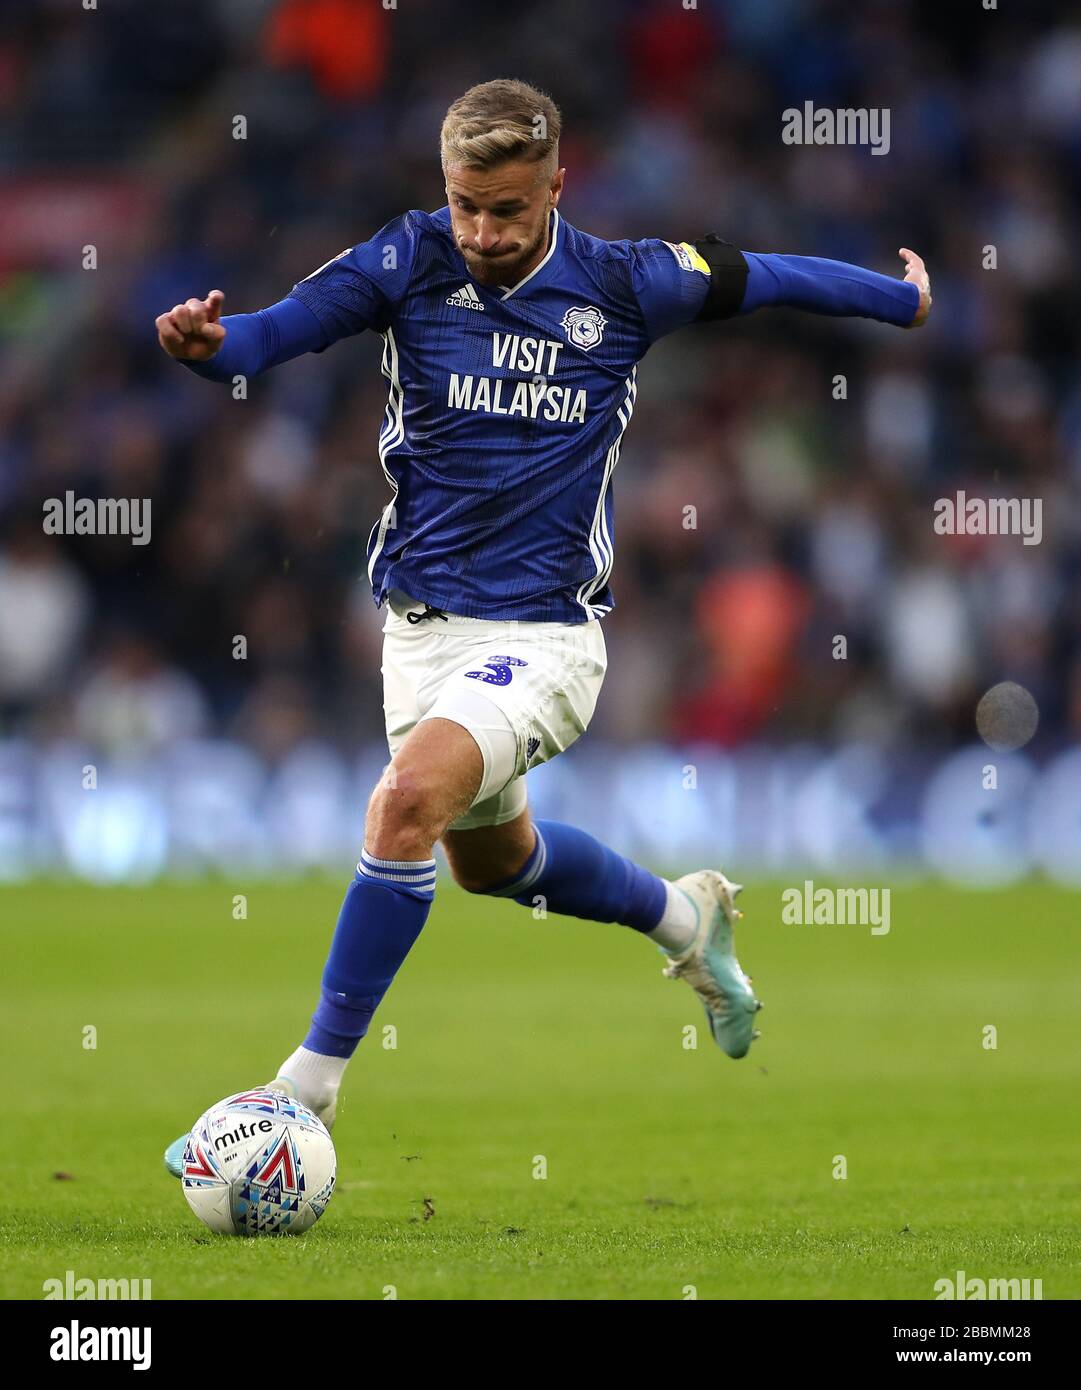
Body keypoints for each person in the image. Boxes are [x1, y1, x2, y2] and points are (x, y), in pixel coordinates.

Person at [157, 78, 931, 1183]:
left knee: (405, 801)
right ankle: (682, 916)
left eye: (508, 211)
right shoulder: (404, 261)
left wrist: (897, 303)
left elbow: (768, 278)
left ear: (557, 186)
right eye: (467, 205)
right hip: (418, 634)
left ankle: (298, 1094)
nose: (481, 232)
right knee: (493, 864)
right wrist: (205, 346)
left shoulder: (625, 282)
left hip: (548, 639)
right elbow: (268, 337)